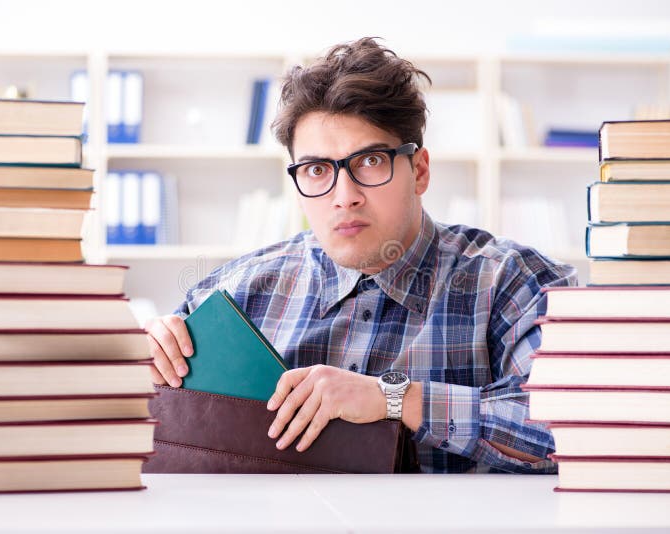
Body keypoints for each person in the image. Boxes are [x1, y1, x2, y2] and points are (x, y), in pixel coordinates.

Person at [146, 37, 577, 474]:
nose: (344, 196)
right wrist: (137, 367)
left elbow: (571, 429)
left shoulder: (513, 281)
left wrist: (394, 398)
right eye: (317, 170)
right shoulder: (235, 292)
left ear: (419, 171)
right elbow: (148, 431)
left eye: (370, 161)